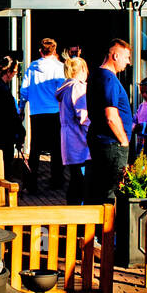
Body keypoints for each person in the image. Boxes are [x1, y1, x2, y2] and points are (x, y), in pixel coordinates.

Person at [85, 38, 133, 204]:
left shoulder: (96, 75)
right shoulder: (108, 78)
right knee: (110, 190)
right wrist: (124, 141)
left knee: (98, 187)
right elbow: (111, 116)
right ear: (115, 56)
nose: (128, 62)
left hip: (101, 140)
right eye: (126, 57)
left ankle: (95, 227)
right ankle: (106, 229)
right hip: (111, 143)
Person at [19, 38, 65, 188]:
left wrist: (21, 108)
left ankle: (31, 182)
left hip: (37, 111)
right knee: (57, 148)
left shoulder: (32, 67)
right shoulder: (59, 67)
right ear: (54, 50)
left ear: (40, 51)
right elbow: (62, 90)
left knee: (35, 148)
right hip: (55, 111)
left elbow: (24, 90)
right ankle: (56, 181)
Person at [56, 54, 90, 205]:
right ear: (82, 69)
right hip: (80, 142)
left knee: (75, 181)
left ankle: (72, 216)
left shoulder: (66, 89)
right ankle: (80, 221)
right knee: (81, 183)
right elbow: (83, 115)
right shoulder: (78, 87)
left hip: (69, 141)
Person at [132, 77, 147, 157]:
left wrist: (143, 126)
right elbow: (134, 119)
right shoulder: (141, 106)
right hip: (140, 142)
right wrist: (133, 126)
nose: (144, 95)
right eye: (142, 92)